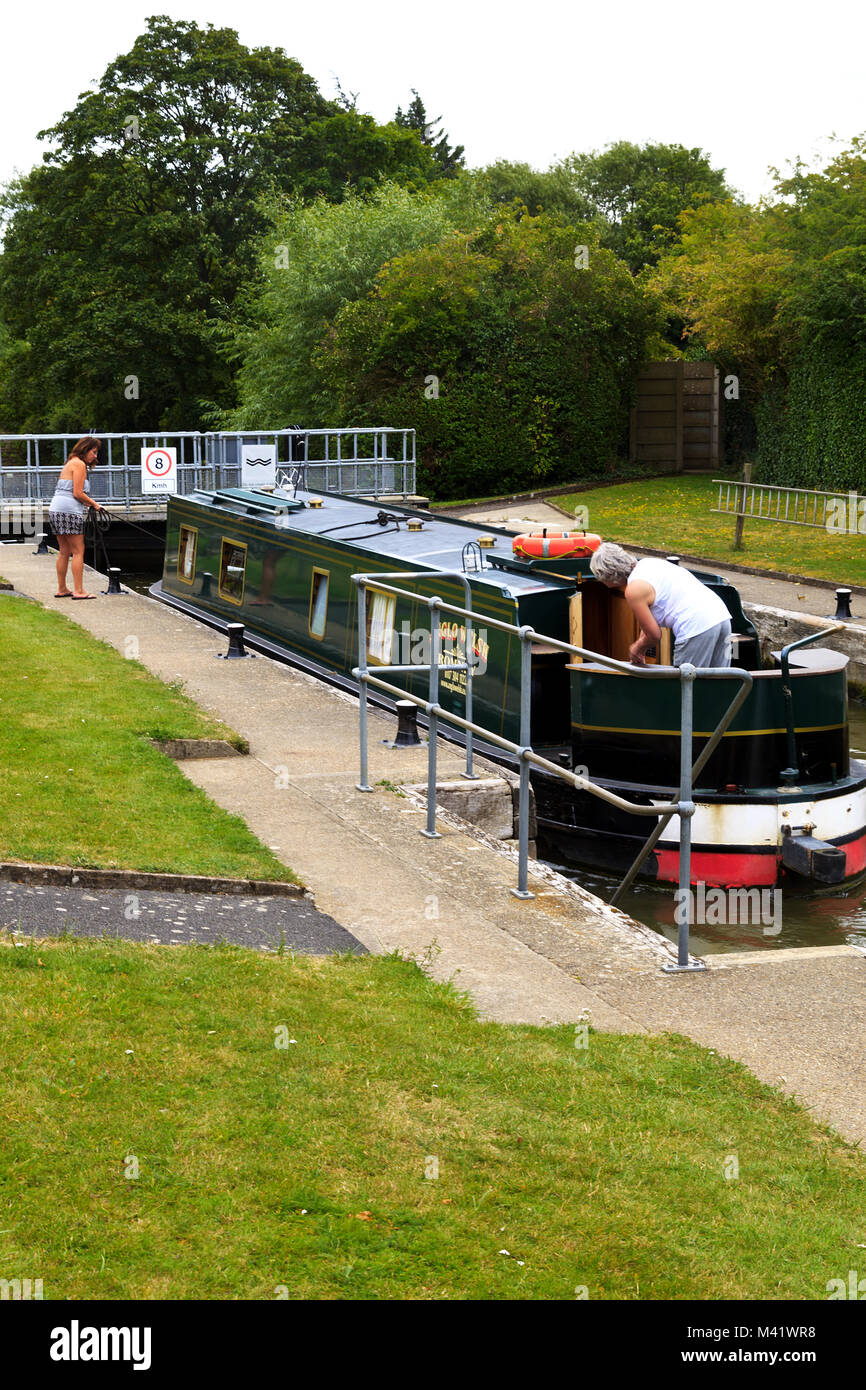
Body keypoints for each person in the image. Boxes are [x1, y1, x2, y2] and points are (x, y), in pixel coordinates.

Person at [589, 542, 731, 667]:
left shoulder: (633, 590)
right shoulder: (649, 563)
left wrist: (637, 648)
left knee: (688, 687)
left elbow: (654, 635)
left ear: (607, 575)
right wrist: (642, 642)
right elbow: (649, 623)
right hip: (720, 616)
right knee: (719, 682)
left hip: (695, 626)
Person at [48, 437, 103, 599]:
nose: (95, 456)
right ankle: (79, 591)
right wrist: (94, 504)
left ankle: (62, 588)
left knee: (64, 551)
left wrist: (88, 503)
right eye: (94, 452)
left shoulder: (70, 463)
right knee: (79, 551)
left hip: (56, 509)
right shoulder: (79, 464)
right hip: (69, 511)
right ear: (85, 449)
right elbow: (77, 493)